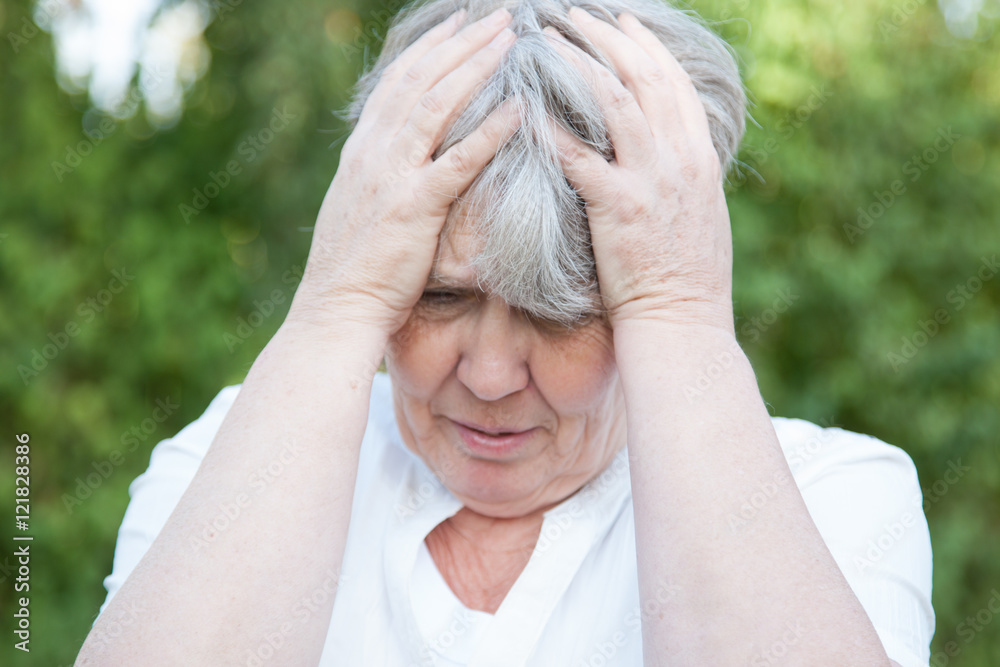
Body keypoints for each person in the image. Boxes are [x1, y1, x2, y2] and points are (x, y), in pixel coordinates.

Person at [77, 0, 934, 665]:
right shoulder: (233, 449)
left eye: (561, 314)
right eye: (440, 297)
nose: (488, 375)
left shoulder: (833, 495)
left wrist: (680, 312)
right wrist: (337, 302)